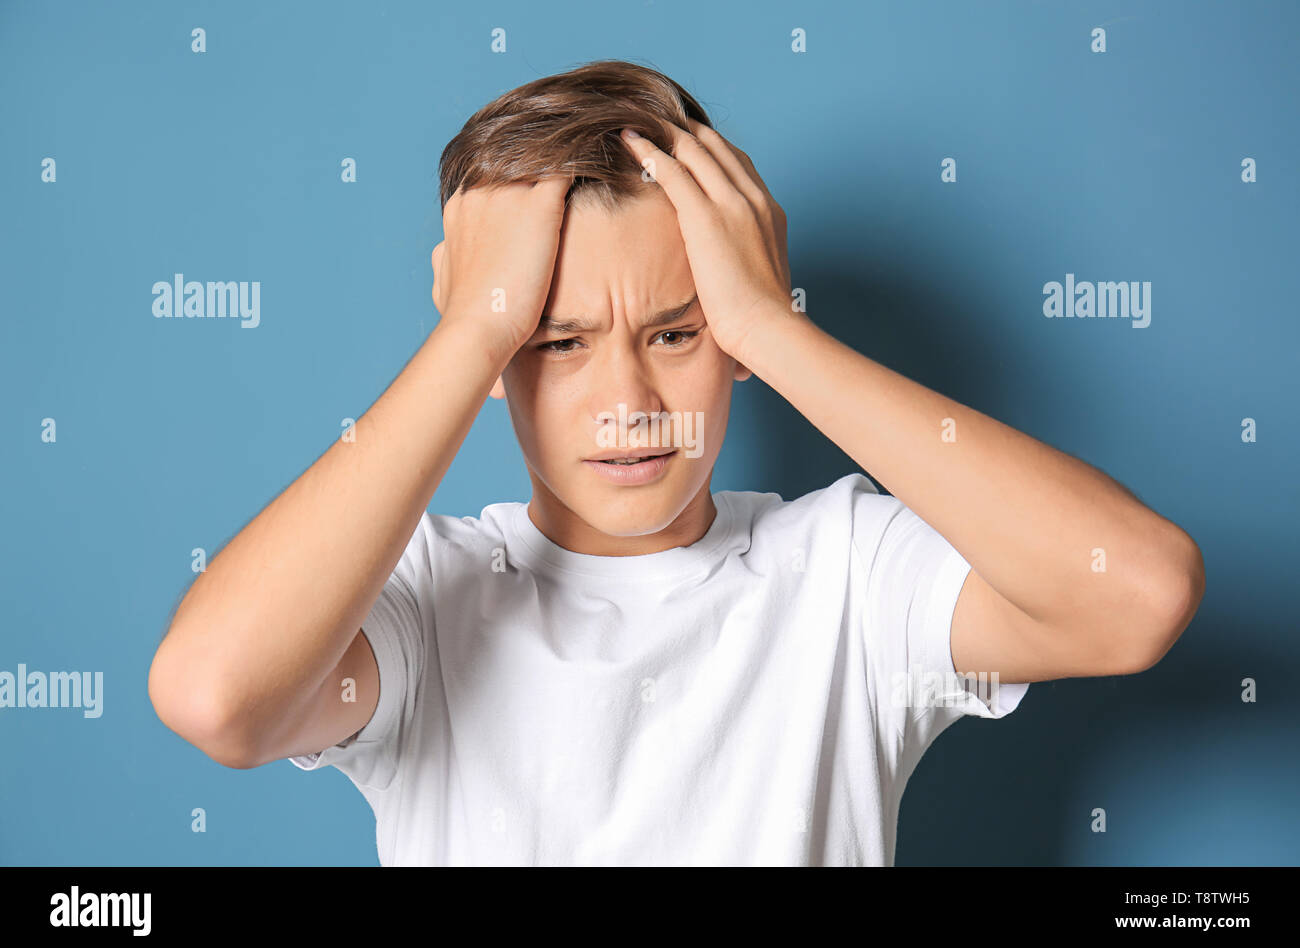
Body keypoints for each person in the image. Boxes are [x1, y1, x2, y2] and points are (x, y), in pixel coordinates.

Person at [148, 59, 1205, 865]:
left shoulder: (845, 574)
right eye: (557, 342)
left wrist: (771, 326)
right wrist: (469, 331)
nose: (629, 407)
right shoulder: (423, 599)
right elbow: (213, 693)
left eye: (676, 332)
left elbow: (1139, 590)